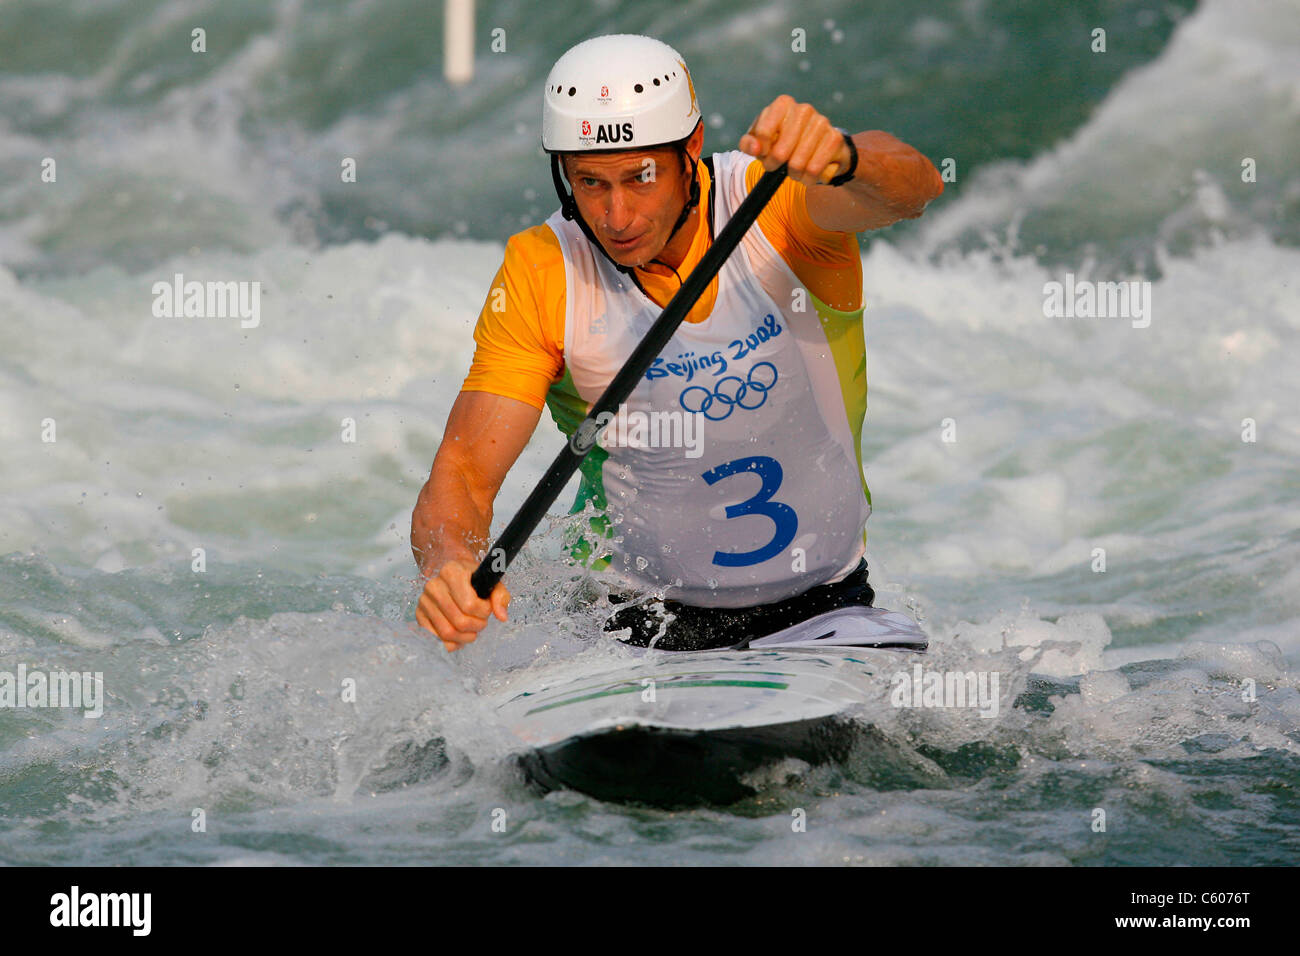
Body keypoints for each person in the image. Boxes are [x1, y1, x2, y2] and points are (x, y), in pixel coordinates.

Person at [412, 34, 943, 653]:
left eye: (641, 177)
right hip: (632, 625)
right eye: (589, 182)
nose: (617, 216)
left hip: (825, 609)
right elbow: (464, 473)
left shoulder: (777, 205)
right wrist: (447, 565)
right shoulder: (544, 271)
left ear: (690, 149)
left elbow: (916, 187)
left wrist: (845, 156)